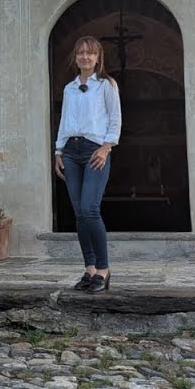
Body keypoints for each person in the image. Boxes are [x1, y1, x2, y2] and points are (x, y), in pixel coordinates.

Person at [52, 35, 122, 294]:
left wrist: (106, 147)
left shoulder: (106, 85)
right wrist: (59, 151)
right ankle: (90, 269)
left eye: (90, 53)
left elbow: (115, 120)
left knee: (91, 208)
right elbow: (64, 121)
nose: (85, 57)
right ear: (76, 57)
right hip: (71, 151)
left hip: (95, 150)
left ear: (97, 57)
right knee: (79, 212)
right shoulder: (69, 88)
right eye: (80, 53)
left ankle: (104, 269)